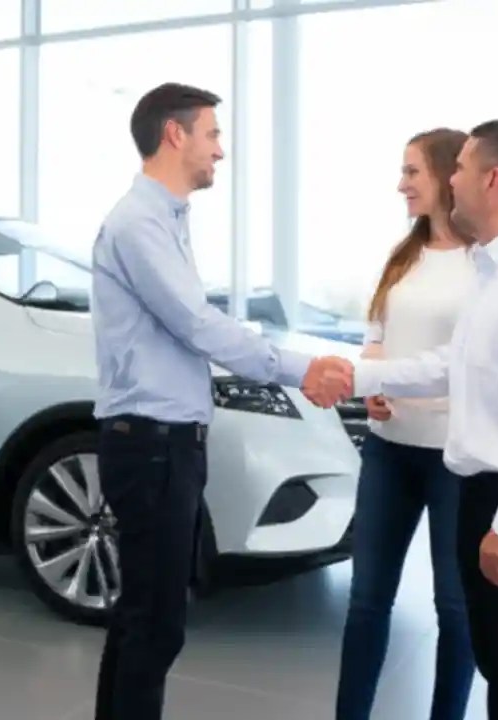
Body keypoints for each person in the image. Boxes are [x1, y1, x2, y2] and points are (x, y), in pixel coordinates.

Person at [89, 82, 351, 720]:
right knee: (156, 623)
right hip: (150, 444)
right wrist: (300, 369)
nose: (220, 151)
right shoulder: (139, 223)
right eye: (212, 134)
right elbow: (197, 324)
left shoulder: (166, 219)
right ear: (174, 134)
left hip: (166, 442)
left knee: (143, 618)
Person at [347, 118, 498, 720]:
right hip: (483, 492)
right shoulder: (497, 270)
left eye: (458, 168)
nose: (450, 179)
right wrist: (360, 378)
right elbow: (452, 366)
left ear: (492, 178)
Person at [335, 128, 478, 720]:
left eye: (412, 172)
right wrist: (374, 384)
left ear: (448, 175)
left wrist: (389, 377)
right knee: (367, 601)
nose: (401, 184)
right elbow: (376, 337)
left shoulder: (485, 262)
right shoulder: (403, 256)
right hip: (389, 452)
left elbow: (473, 363)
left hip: (455, 458)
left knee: (455, 607)